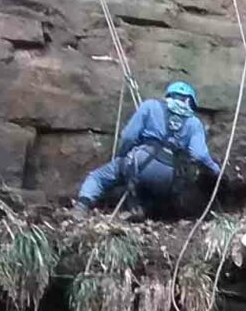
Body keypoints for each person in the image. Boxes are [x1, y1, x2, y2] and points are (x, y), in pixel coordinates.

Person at [76, 80, 222, 217]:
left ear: (169, 96)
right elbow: (199, 155)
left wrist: (122, 155)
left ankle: (81, 208)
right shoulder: (194, 123)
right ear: (190, 102)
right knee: (161, 196)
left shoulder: (150, 106)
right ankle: (143, 210)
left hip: (141, 162)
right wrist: (216, 171)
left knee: (98, 177)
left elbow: (128, 136)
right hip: (170, 176)